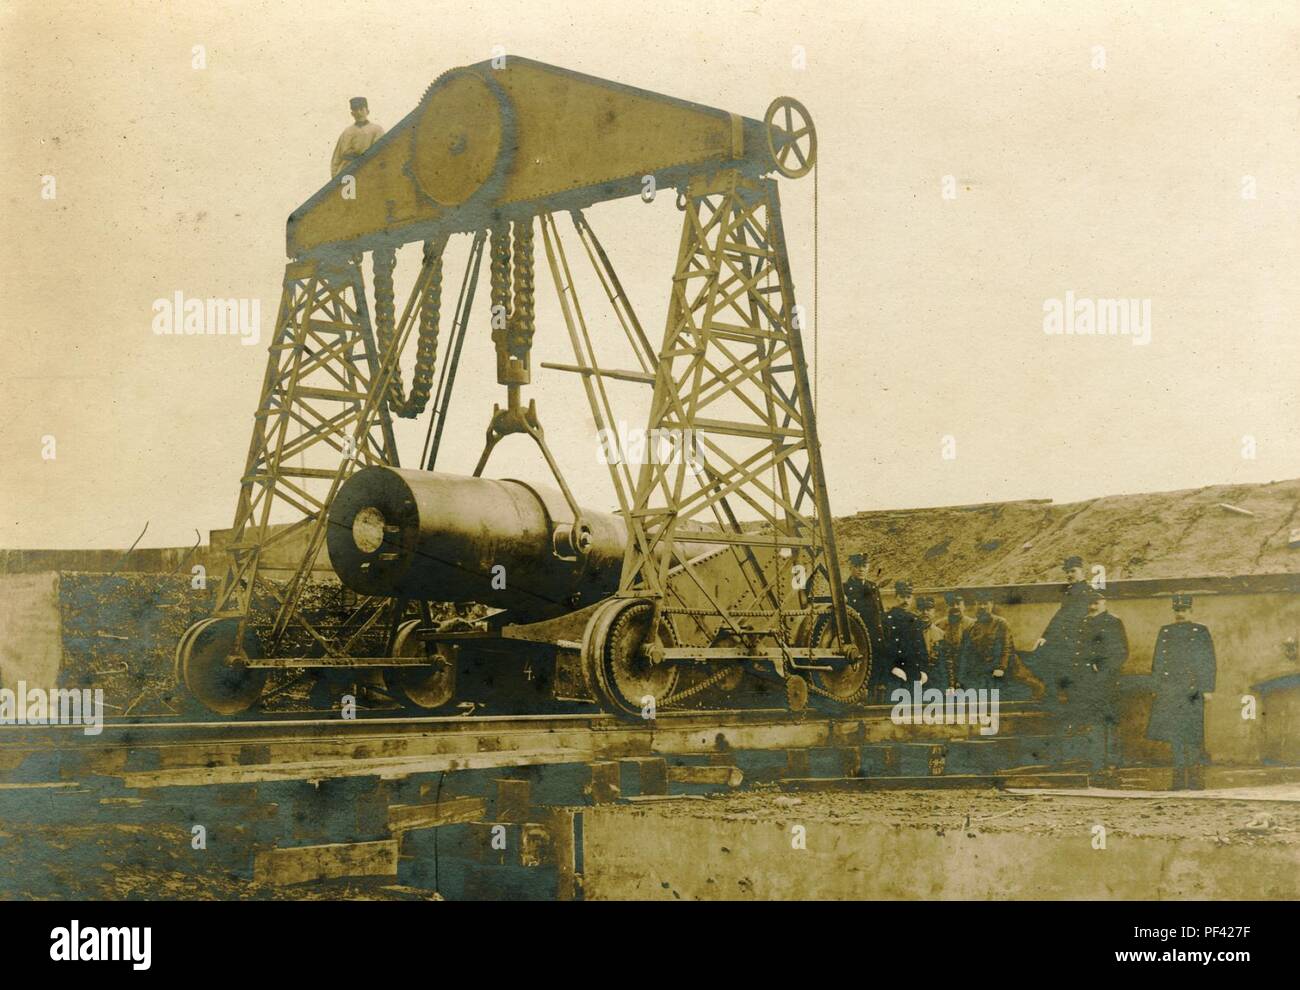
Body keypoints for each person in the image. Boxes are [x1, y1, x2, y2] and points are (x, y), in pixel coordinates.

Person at [1146, 593, 1216, 790]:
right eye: (1177, 610)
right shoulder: (1165, 631)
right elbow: (1157, 661)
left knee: (1193, 733)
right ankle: (1177, 777)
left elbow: (1208, 661)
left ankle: (1194, 778)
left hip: (1193, 690)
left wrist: (1207, 689)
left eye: (1184, 610)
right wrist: (1156, 687)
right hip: (1170, 690)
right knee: (1175, 733)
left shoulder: (1200, 631)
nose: (1180, 614)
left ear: (1191, 611)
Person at [1075, 589, 1129, 768]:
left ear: (1104, 602)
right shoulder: (1083, 622)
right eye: (1090, 603)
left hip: (1108, 680)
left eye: (1096, 602)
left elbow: (1121, 651)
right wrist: (1088, 667)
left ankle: (1112, 761)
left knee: (1110, 719)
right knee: (1093, 720)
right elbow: (1080, 651)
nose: (1092, 606)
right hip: (1088, 679)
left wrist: (1104, 671)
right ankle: (1095, 761)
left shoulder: (1113, 622)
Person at [1033, 555, 1093, 701]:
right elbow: (1060, 616)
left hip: (1079, 640)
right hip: (1066, 639)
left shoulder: (1088, 592)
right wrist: (1044, 636)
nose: (1069, 575)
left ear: (1082, 572)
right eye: (1067, 572)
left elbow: (1079, 619)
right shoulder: (1070, 592)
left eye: (1073, 571)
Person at [845, 553, 888, 698]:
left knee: (875, 661)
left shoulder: (873, 587)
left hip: (873, 633)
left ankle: (874, 691)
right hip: (855, 634)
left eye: (864, 566)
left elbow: (879, 611)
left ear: (868, 567)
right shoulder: (845, 588)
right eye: (857, 566)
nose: (860, 569)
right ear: (850, 567)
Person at [959, 590, 1015, 690]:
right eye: (979, 603)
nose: (982, 607)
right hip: (977, 673)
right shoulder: (970, 627)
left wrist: (1001, 668)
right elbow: (964, 654)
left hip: (996, 672)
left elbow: (1007, 647)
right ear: (975, 605)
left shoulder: (1000, 623)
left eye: (985, 603)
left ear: (991, 604)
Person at [884, 580, 929, 687]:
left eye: (908, 597)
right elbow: (883, 649)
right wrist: (892, 668)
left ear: (912, 598)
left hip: (914, 670)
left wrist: (923, 670)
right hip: (895, 672)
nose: (905, 600)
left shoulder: (915, 620)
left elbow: (921, 648)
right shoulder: (886, 619)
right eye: (902, 596)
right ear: (896, 597)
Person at [331, 97, 386, 178]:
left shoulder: (377, 130)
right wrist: (335, 178)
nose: (358, 112)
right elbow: (336, 159)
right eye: (355, 110)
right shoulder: (346, 133)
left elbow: (382, 154)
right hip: (347, 174)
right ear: (352, 113)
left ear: (367, 111)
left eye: (361, 109)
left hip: (368, 171)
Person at [934, 592, 974, 692]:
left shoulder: (972, 624)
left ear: (964, 605)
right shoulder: (939, 625)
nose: (955, 607)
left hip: (968, 672)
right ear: (947, 606)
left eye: (958, 603)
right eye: (951, 604)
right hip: (945, 674)